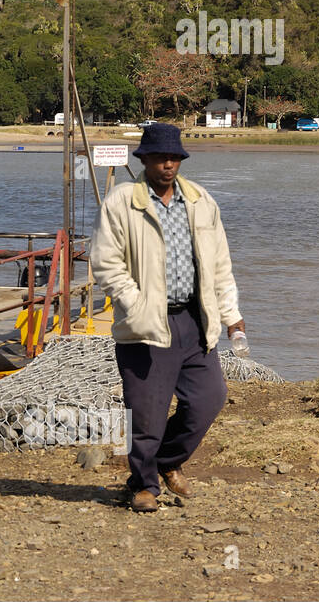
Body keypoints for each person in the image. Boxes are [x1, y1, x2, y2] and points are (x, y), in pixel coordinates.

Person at [88, 123, 245, 513]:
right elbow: (106, 264)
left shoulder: (202, 201)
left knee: (208, 400)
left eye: (174, 157)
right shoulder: (122, 201)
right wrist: (135, 304)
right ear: (145, 160)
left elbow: (220, 266)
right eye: (160, 157)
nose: (168, 165)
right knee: (146, 413)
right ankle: (144, 486)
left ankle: (167, 461)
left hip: (194, 321)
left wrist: (233, 316)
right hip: (146, 326)